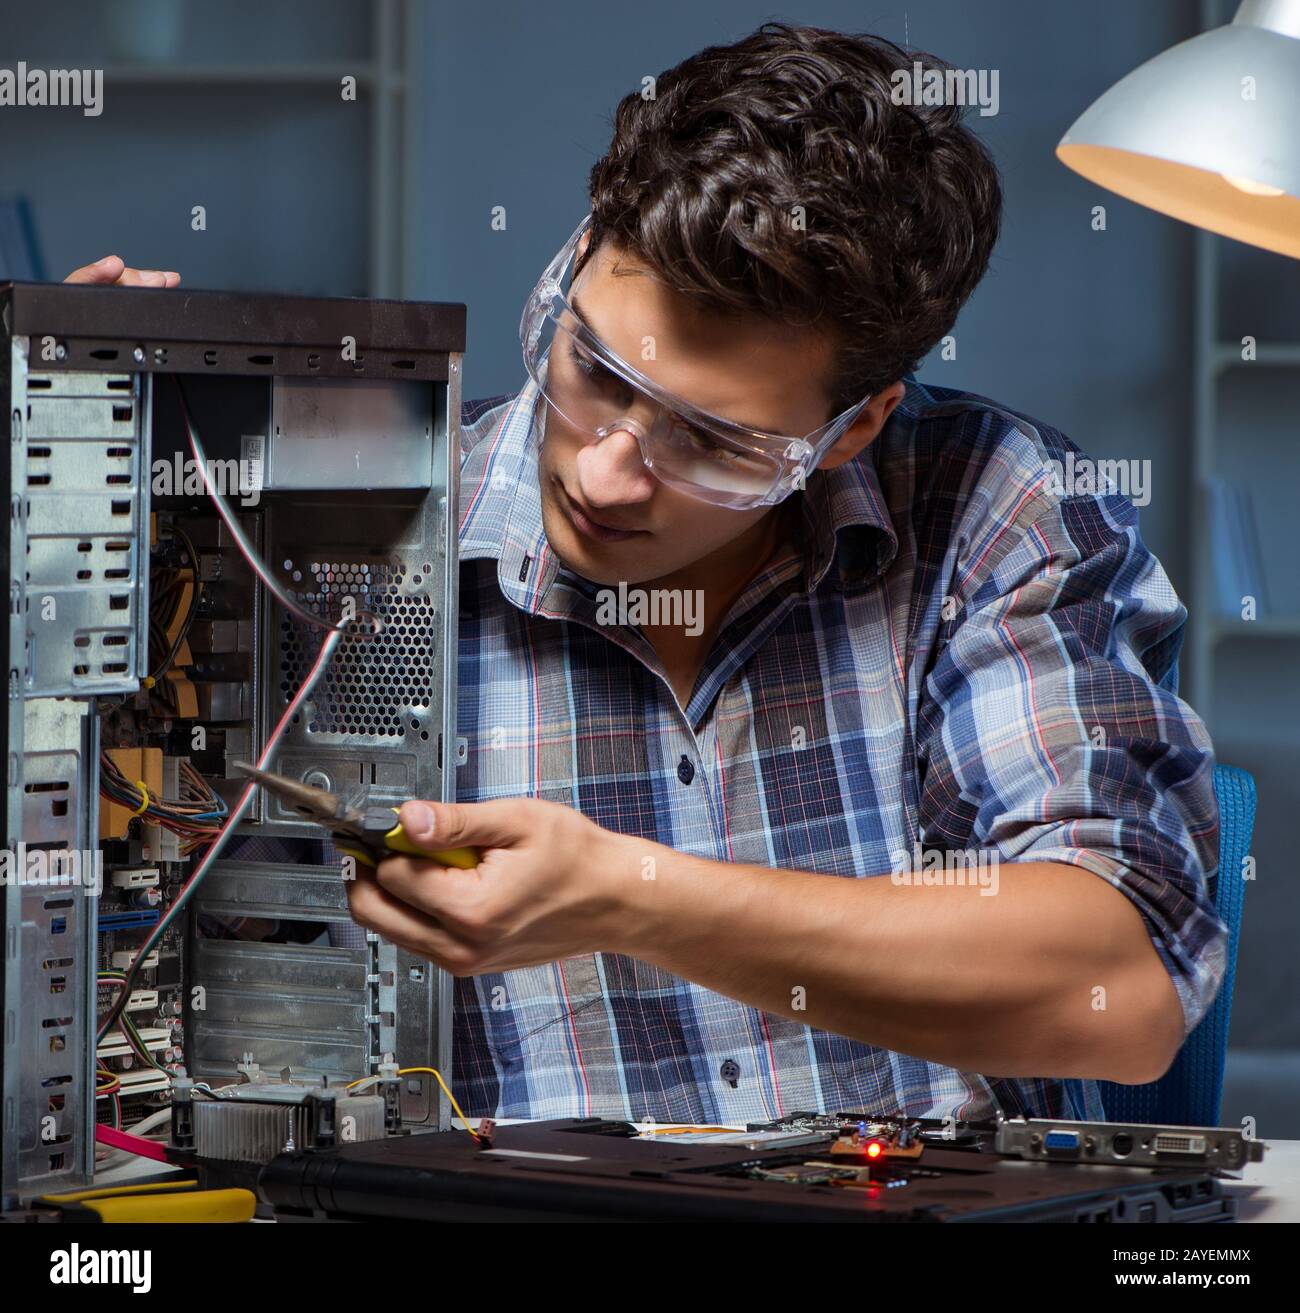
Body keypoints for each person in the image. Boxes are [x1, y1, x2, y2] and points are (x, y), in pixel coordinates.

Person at [68, 23, 1225, 1127]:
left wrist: (630, 896)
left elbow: (1117, 990)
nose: (611, 473)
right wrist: (70, 523)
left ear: (853, 428)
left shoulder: (990, 504)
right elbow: (117, 889)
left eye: (712, 442)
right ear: (574, 262)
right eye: (595, 369)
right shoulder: (317, 543)